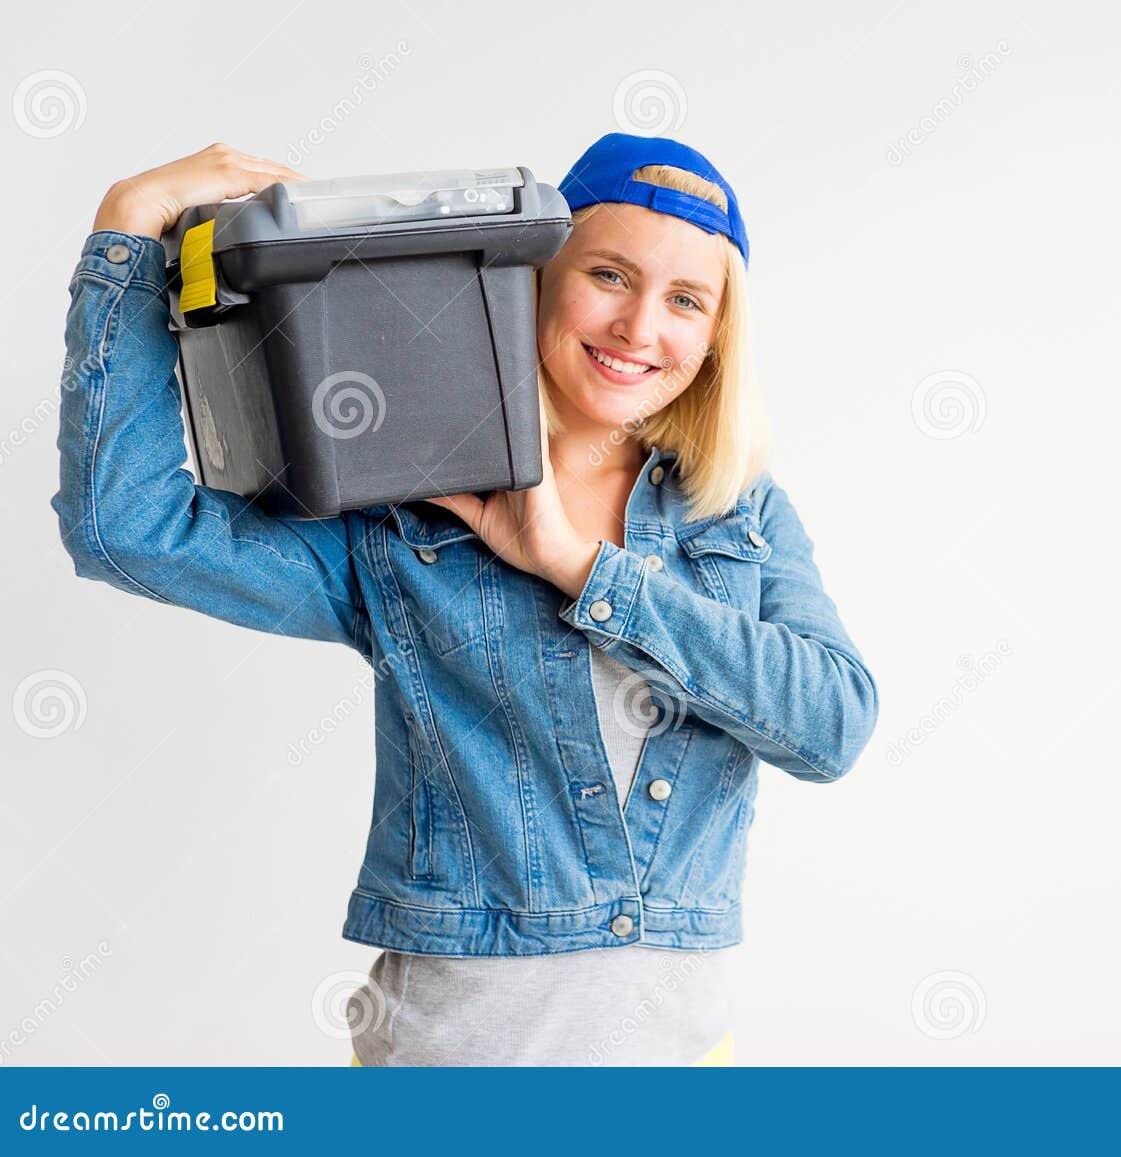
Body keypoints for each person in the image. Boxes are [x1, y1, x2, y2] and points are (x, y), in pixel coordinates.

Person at [53, 134, 879, 1065]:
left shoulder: (737, 513)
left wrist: (579, 565)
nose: (640, 328)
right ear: (532, 277)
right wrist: (125, 234)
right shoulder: (409, 516)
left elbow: (832, 724)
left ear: (716, 335)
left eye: (686, 300)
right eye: (609, 275)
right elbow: (130, 527)